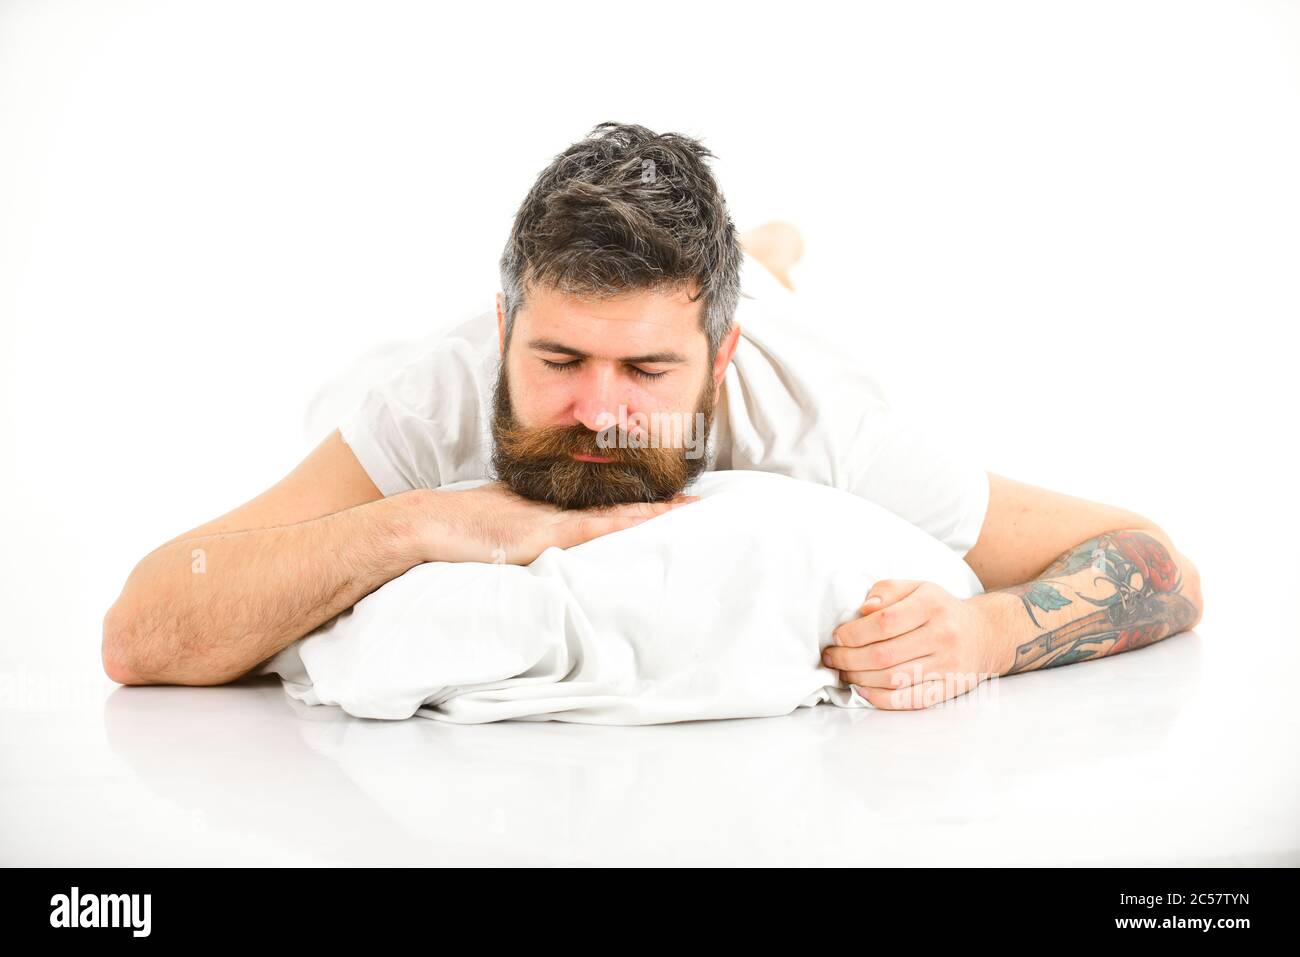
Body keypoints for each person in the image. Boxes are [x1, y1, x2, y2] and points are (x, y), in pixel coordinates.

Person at [102, 122, 1203, 710]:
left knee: (780, 277)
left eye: (646, 370)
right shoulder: (437, 392)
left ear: (717, 361)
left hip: (770, 320)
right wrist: (412, 524)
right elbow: (144, 627)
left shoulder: (817, 415)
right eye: (558, 357)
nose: (596, 411)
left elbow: (1155, 560)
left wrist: (991, 633)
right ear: (502, 330)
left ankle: (771, 258)